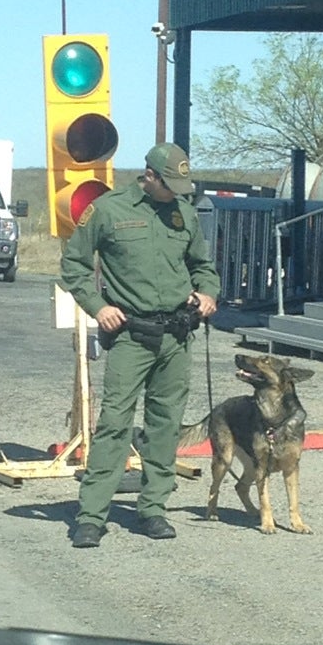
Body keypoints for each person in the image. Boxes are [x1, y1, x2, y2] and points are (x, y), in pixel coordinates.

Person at [60, 142, 221, 548]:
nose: (178, 193)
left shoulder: (183, 211)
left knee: (165, 425)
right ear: (149, 177)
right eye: (170, 184)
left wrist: (207, 293)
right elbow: (74, 265)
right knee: (115, 424)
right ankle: (92, 515)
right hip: (132, 334)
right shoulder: (109, 211)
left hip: (177, 334)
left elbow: (203, 266)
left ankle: (153, 509)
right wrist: (97, 307)